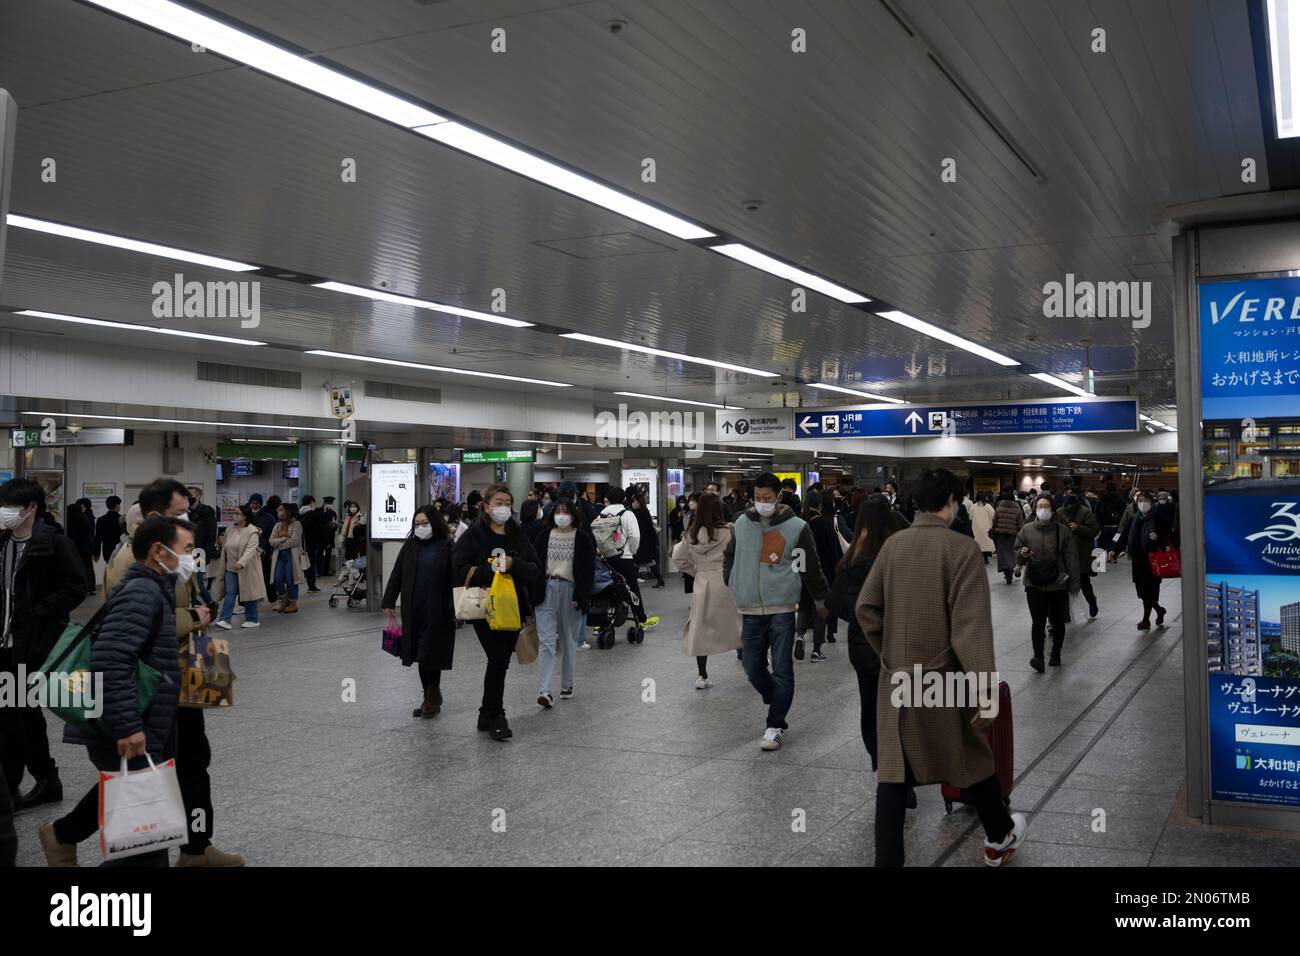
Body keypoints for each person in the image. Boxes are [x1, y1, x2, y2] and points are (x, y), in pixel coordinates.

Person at [855, 468, 1027, 867]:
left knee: (894, 772)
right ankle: (1000, 834)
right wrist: (985, 689)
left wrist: (890, 652)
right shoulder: (961, 550)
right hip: (944, 678)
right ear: (952, 502)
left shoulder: (894, 545)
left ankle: (889, 861)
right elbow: (970, 631)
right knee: (969, 754)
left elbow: (866, 607)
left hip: (898, 678)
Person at [39, 516, 189, 868]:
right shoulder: (141, 591)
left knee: (145, 837)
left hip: (146, 721)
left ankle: (64, 838)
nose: (189, 558)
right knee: (143, 845)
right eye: (183, 550)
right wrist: (128, 727)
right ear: (157, 551)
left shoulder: (151, 587)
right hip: (129, 725)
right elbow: (111, 659)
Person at [723, 472, 828, 751]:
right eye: (757, 498)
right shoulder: (741, 523)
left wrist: (821, 599)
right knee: (752, 666)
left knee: (782, 667)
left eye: (767, 498)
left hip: (782, 606)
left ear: (779, 496)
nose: (762, 503)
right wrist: (731, 578)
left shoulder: (796, 527)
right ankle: (777, 697)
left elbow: (811, 567)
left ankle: (775, 724)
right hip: (750, 608)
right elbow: (730, 554)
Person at [0, 478, 87, 811]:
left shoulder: (54, 544)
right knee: (21, 716)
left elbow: (76, 586)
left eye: (9, 507)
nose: (3, 513)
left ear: (31, 508)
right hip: (4, 645)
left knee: (13, 718)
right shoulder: (2, 543)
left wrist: (41, 610)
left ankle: (12, 788)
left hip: (33, 645)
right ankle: (46, 779)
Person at [829, 494, 908, 793]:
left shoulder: (852, 559)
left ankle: (880, 764)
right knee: (902, 707)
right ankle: (904, 766)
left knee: (870, 706)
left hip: (862, 647)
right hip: (898, 643)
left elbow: (836, 603)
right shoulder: (899, 553)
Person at [452, 484, 543, 741]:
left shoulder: (517, 535)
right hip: (483, 607)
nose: (503, 507)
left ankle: (486, 713)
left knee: (499, 661)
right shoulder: (473, 536)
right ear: (486, 506)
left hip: (513, 605)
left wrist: (515, 565)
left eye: (507, 503)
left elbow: (536, 568)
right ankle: (497, 715)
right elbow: (458, 570)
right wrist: (489, 570)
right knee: (499, 658)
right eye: (498, 502)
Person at [382, 506, 457, 719]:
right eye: (417, 524)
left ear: (434, 523)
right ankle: (430, 696)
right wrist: (389, 599)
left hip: (439, 609)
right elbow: (397, 574)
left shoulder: (447, 546)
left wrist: (456, 607)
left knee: (431, 653)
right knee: (419, 653)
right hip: (414, 608)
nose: (421, 528)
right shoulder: (410, 546)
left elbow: (455, 577)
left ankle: (432, 696)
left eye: (425, 524)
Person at [672, 494, 741, 688]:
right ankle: (751, 659)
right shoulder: (731, 530)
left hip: (703, 583)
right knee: (738, 622)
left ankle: (702, 676)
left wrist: (696, 571)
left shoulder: (690, 534)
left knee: (700, 627)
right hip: (729, 581)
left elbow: (678, 558)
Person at [531, 498, 593, 706]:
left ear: (573, 514)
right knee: (547, 642)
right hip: (546, 589)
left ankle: (567, 683)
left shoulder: (582, 538)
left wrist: (581, 594)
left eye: (565, 511)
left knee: (568, 640)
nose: (561, 515)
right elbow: (535, 565)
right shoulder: (543, 536)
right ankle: (545, 690)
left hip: (571, 590)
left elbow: (587, 570)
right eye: (557, 511)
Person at [1013, 495, 1081, 671]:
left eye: (1046, 506)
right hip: (1034, 583)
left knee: (1057, 622)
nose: (1043, 509)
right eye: (1040, 506)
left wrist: (1074, 584)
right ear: (1035, 508)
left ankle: (1056, 653)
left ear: (1052, 509)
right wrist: (1022, 553)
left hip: (1057, 583)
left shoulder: (1062, 530)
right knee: (1038, 622)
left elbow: (1071, 557)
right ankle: (1038, 656)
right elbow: (1017, 551)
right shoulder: (1026, 530)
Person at [1108, 490, 1173, 630]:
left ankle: (1146, 620)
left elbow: (1170, 533)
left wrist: (1159, 536)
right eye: (1140, 501)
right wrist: (1115, 549)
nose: (1143, 503)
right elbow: (1124, 536)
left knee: (1149, 591)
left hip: (1153, 560)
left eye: (1146, 500)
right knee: (1143, 593)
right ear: (1136, 503)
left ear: (1151, 502)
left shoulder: (1158, 518)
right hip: (1138, 560)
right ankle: (1159, 610)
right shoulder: (1134, 519)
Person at [794, 491, 841, 663]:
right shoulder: (824, 524)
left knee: (804, 606)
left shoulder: (799, 524)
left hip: (801, 572)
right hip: (822, 573)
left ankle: (799, 635)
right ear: (820, 506)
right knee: (820, 609)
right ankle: (816, 650)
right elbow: (834, 552)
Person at [595, 487, 647, 628]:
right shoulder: (627, 514)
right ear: (624, 499)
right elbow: (635, 536)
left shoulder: (601, 514)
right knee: (632, 589)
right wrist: (631, 550)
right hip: (624, 557)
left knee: (607, 590)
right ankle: (640, 619)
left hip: (605, 559)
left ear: (608, 499)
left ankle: (601, 621)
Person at [214, 505, 266, 629]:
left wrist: (241, 563)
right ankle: (224, 620)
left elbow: (250, 549)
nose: (234, 516)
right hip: (230, 568)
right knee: (230, 593)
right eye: (234, 513)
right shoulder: (229, 530)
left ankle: (252, 619)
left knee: (248, 593)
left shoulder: (252, 531)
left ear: (245, 516)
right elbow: (225, 548)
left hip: (247, 568)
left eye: (237, 513)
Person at [1059, 488, 1100, 619]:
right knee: (1063, 584)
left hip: (1081, 553)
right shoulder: (1059, 512)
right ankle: (1064, 613)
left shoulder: (1085, 512)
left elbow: (1094, 531)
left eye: (1071, 494)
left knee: (1083, 581)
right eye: (1066, 493)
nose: (1068, 496)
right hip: (1064, 554)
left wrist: (1079, 528)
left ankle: (1091, 601)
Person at [269, 502, 307, 614]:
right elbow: (271, 541)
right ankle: (284, 599)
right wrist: (282, 540)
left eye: (281, 510)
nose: (278, 512)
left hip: (292, 555)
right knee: (276, 579)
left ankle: (293, 603)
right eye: (278, 510)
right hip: (279, 556)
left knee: (291, 579)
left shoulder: (297, 524)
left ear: (288, 511)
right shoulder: (277, 525)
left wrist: (279, 544)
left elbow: (295, 541)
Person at [991, 487, 1025, 585]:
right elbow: (1020, 525)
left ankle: (1007, 573)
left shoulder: (998, 508)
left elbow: (995, 522)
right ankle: (1013, 570)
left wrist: (994, 532)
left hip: (1001, 535)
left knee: (1003, 557)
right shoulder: (1018, 509)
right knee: (1012, 555)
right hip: (1013, 536)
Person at [630, 492, 664, 588]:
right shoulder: (641, 512)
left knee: (638, 561)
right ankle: (659, 579)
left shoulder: (642, 512)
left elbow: (648, 528)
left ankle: (634, 581)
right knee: (643, 561)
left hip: (644, 541)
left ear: (639, 502)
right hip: (643, 541)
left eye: (635, 501)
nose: (633, 503)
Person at [67, 499, 96, 595]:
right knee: (88, 567)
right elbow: (90, 532)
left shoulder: (72, 519)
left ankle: (85, 587)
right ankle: (90, 587)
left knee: (81, 567)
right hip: (86, 547)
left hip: (77, 547)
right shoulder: (86, 517)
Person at [299, 495, 324, 592]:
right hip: (311, 543)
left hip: (300, 543)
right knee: (311, 564)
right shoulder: (312, 514)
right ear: (311, 502)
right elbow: (318, 529)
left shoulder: (299, 513)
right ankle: (311, 585)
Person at [93, 494, 125, 568]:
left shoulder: (101, 520)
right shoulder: (122, 519)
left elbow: (98, 538)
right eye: (119, 505)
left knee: (109, 570)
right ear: (117, 506)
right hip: (120, 550)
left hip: (107, 551)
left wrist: (96, 554)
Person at [970, 493, 996, 566]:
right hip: (987, 527)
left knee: (979, 544)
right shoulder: (988, 506)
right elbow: (994, 515)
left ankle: (979, 559)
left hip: (976, 527)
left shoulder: (973, 506)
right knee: (986, 544)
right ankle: (986, 559)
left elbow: (970, 517)